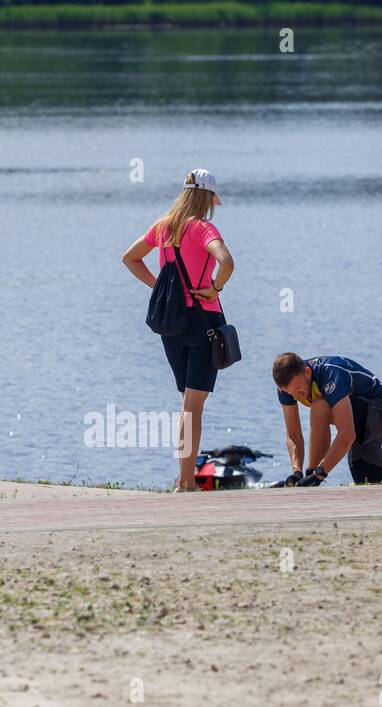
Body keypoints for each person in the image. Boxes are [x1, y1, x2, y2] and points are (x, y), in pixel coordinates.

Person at [122, 169, 235, 491]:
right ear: (208, 197)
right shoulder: (203, 228)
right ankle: (185, 481)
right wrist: (215, 288)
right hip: (203, 320)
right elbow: (227, 261)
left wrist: (159, 287)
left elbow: (130, 258)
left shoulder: (163, 226)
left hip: (171, 323)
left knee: (186, 400)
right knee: (193, 406)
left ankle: (183, 478)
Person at [271, 351, 382, 486]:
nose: (297, 396)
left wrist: (318, 473)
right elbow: (293, 434)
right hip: (360, 423)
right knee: (368, 487)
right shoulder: (286, 388)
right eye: (292, 393)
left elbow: (347, 434)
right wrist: (296, 471)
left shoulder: (331, 374)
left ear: (307, 372)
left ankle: (312, 472)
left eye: (299, 390)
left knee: (319, 407)